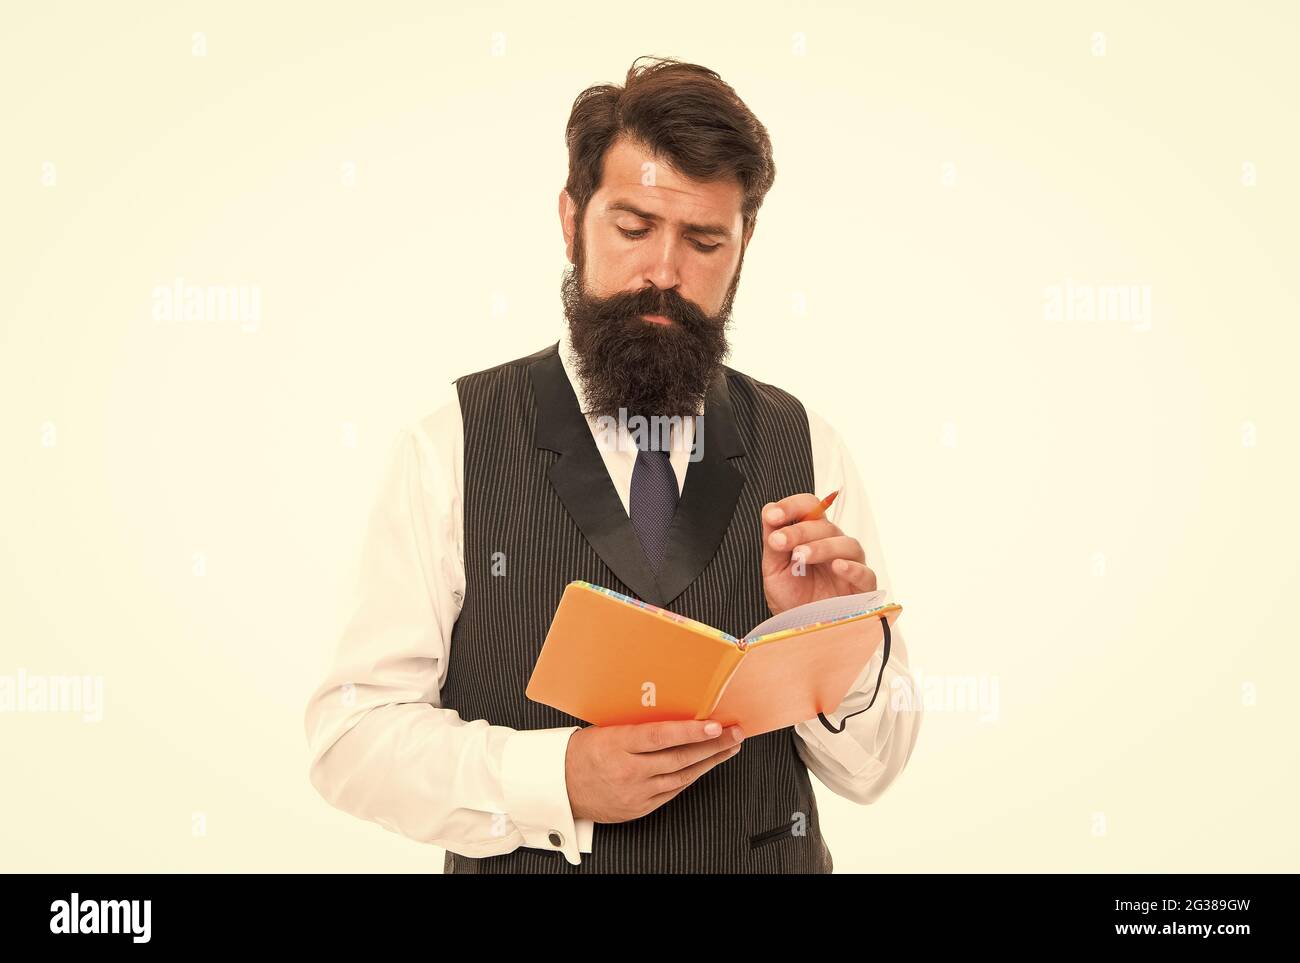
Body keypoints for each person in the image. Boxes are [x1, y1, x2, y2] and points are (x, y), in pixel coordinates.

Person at [304, 56, 921, 874]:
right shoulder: (448, 440)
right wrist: (554, 775)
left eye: (704, 240)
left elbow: (873, 769)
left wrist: (828, 643)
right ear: (571, 220)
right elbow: (351, 738)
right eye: (633, 228)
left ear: (744, 246)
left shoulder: (808, 443)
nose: (664, 273)